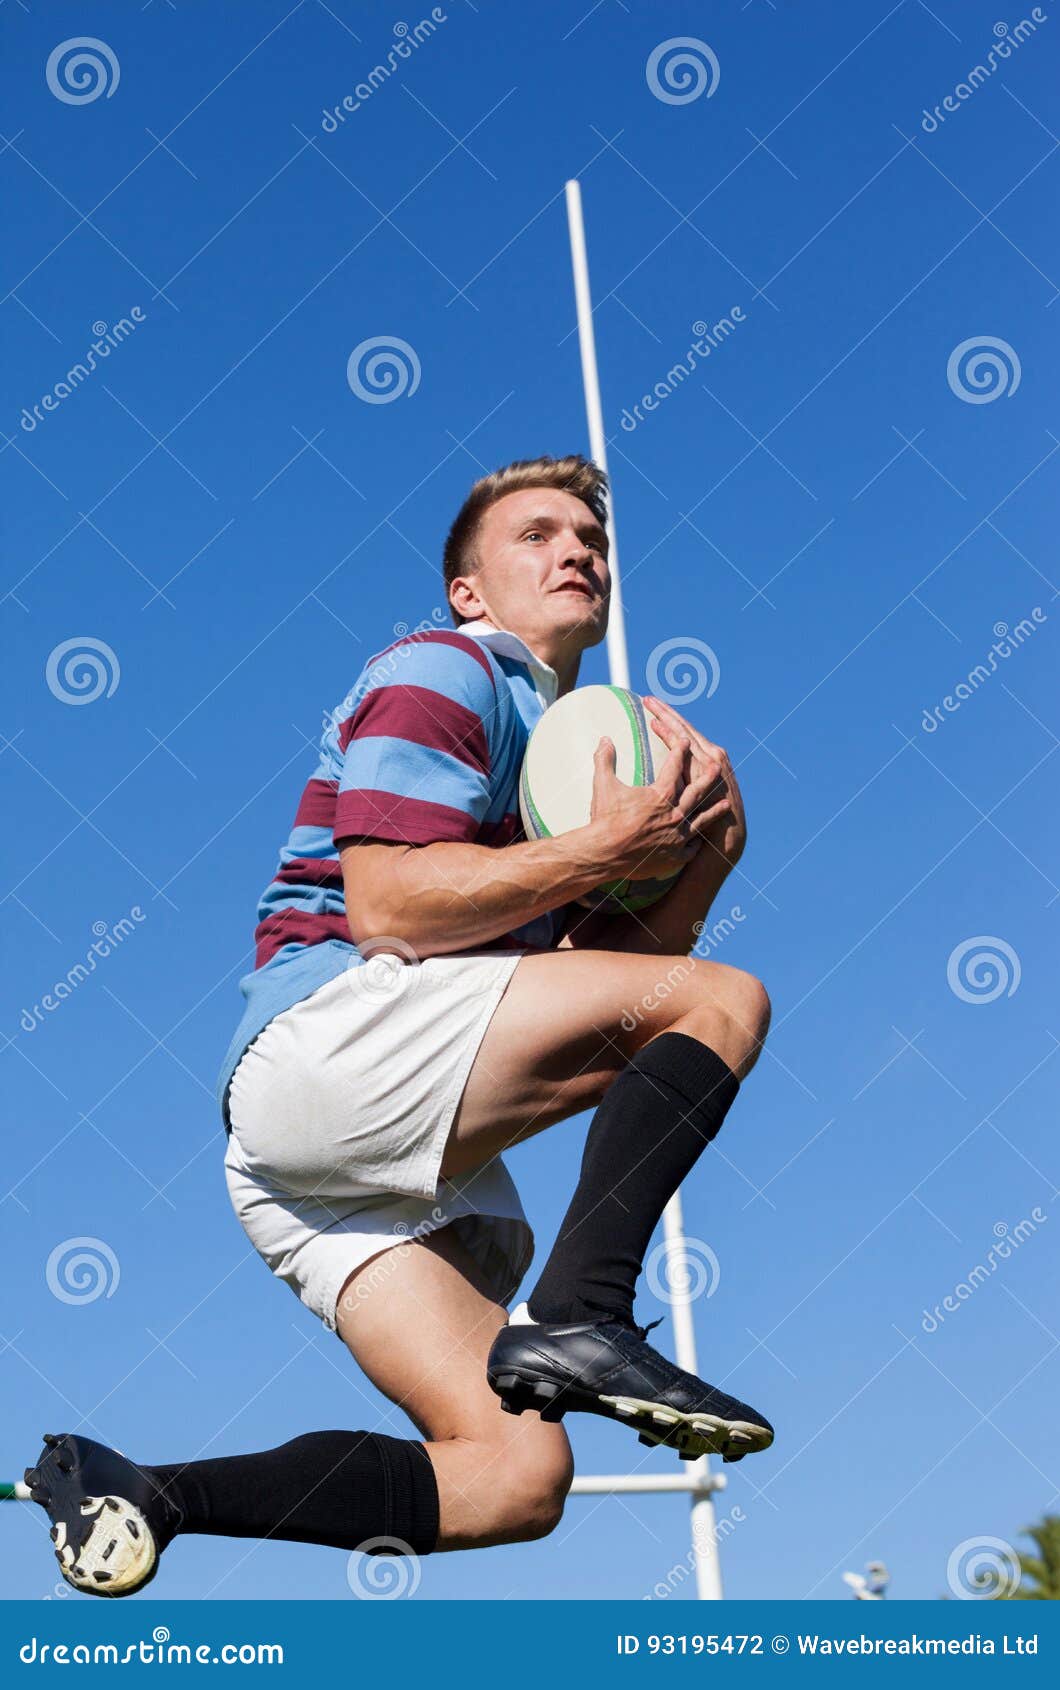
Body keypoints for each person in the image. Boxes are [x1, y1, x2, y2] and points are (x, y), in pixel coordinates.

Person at [27, 455, 773, 1598]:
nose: (578, 551)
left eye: (591, 540)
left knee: (518, 1473)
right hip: (326, 1047)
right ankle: (583, 1312)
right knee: (728, 1001)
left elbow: (601, 1001)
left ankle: (147, 1488)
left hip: (310, 1164)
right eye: (536, 534)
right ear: (467, 591)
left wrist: (697, 871)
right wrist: (599, 854)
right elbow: (388, 903)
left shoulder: (568, 754)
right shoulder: (445, 668)